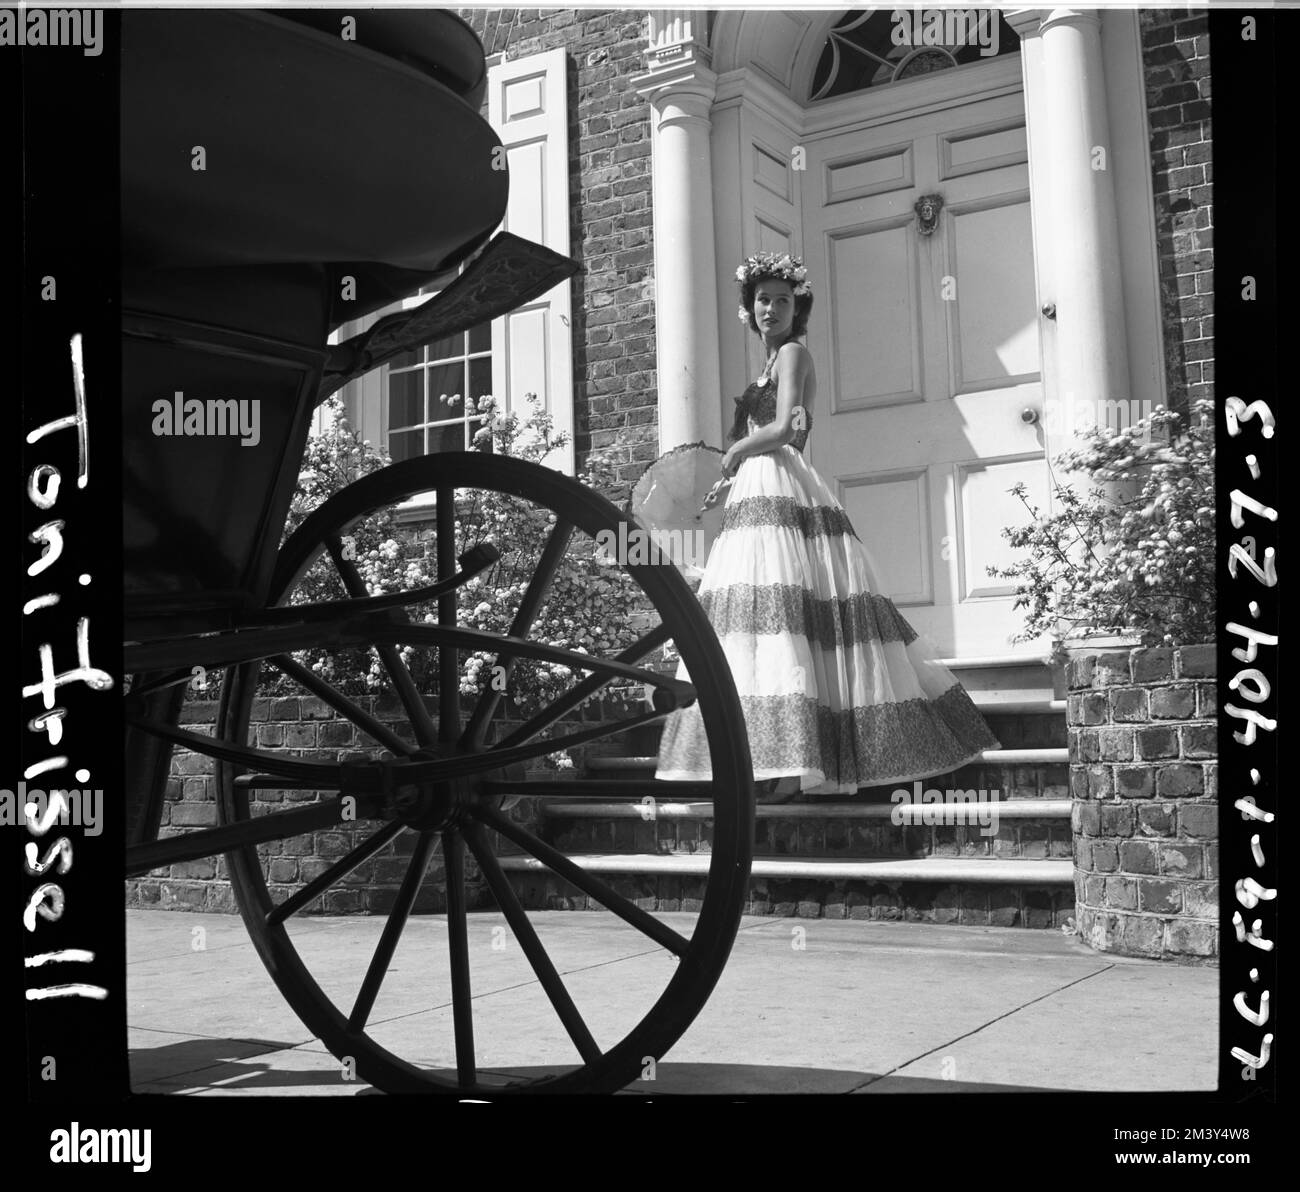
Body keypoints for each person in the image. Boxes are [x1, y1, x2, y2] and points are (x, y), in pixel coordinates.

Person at [654, 252, 1000, 801]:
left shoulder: (794, 354)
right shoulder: (760, 368)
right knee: (761, 617)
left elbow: (789, 426)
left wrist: (740, 446)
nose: (772, 309)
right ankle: (775, 757)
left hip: (783, 480)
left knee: (789, 613)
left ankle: (799, 764)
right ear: (750, 308)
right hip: (756, 486)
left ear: (798, 309)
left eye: (783, 301)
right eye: (763, 299)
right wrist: (732, 472)